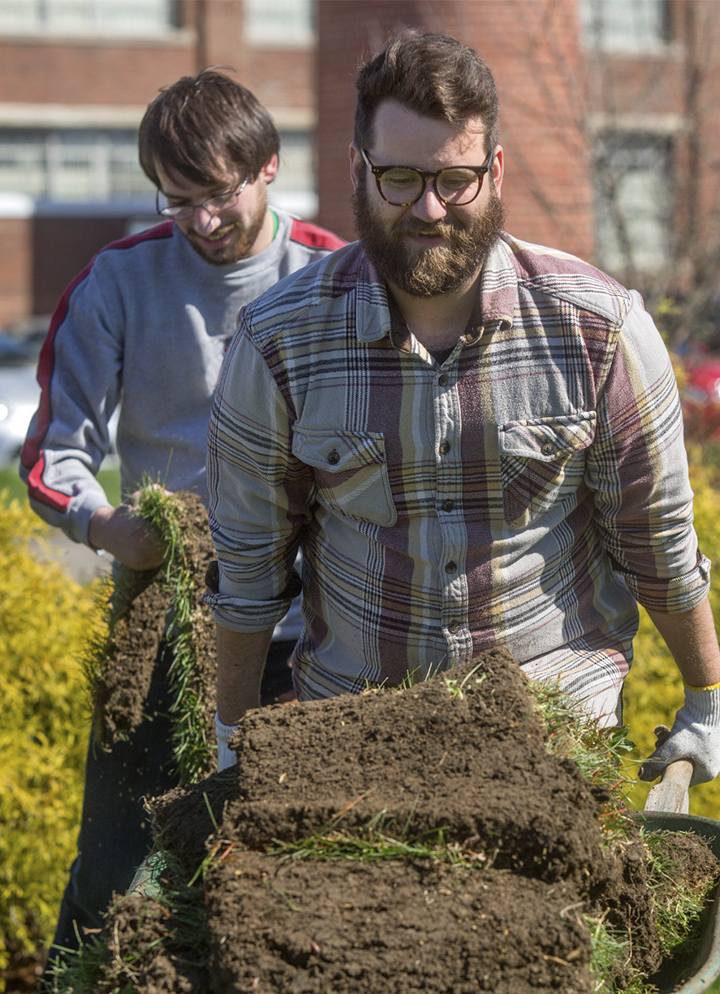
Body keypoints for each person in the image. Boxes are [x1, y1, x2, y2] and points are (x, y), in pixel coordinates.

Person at [206, 30, 720, 790]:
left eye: (455, 179)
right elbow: (248, 566)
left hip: (554, 729)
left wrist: (706, 697)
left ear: (495, 170)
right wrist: (231, 735)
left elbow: (656, 536)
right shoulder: (279, 343)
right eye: (400, 178)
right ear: (357, 170)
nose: (429, 207)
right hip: (355, 735)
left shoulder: (599, 330)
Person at [20, 68, 344, 953]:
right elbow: (52, 453)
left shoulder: (332, 274)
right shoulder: (118, 281)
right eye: (178, 201)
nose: (201, 221)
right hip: (165, 622)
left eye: (219, 194)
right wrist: (104, 527)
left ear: (268, 166)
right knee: (116, 862)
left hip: (310, 633)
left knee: (289, 875)